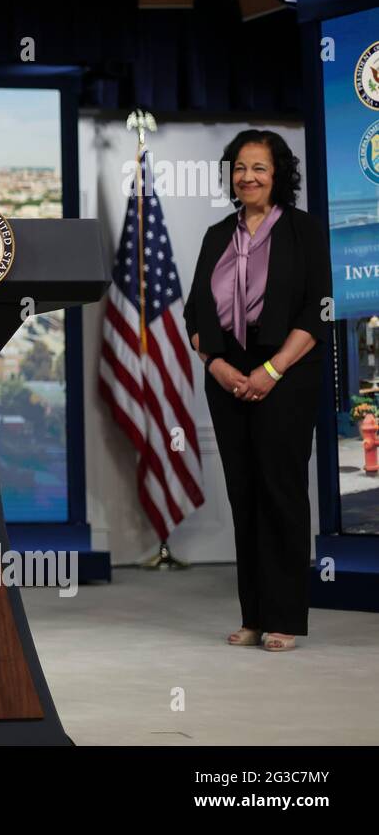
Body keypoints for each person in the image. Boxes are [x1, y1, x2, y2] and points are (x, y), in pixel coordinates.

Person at [183, 129, 332, 652]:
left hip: (288, 372)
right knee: (244, 495)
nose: (248, 177)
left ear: (279, 175)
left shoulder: (304, 231)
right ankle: (253, 614)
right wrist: (218, 365)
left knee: (280, 494)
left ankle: (285, 616)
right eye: (240, 168)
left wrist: (272, 370)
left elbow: (319, 310)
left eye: (260, 168)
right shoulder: (216, 234)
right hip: (227, 376)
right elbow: (194, 314)